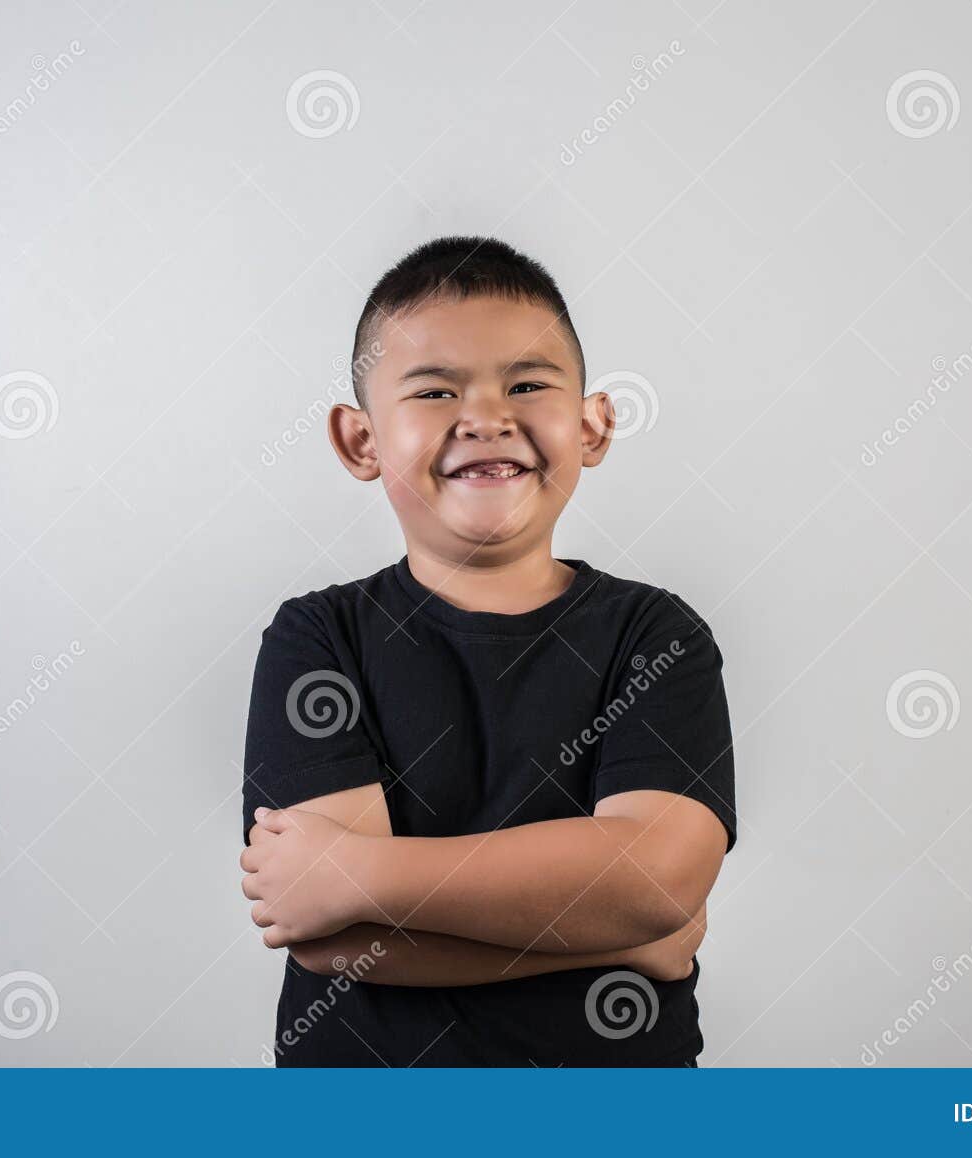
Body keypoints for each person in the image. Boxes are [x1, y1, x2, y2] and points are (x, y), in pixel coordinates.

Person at [240, 235, 737, 1066]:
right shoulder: (318, 639)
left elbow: (657, 880)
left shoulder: (658, 637)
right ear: (360, 441)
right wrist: (628, 935)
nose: (486, 417)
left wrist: (359, 873)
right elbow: (329, 943)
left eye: (528, 384)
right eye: (435, 390)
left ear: (591, 425)